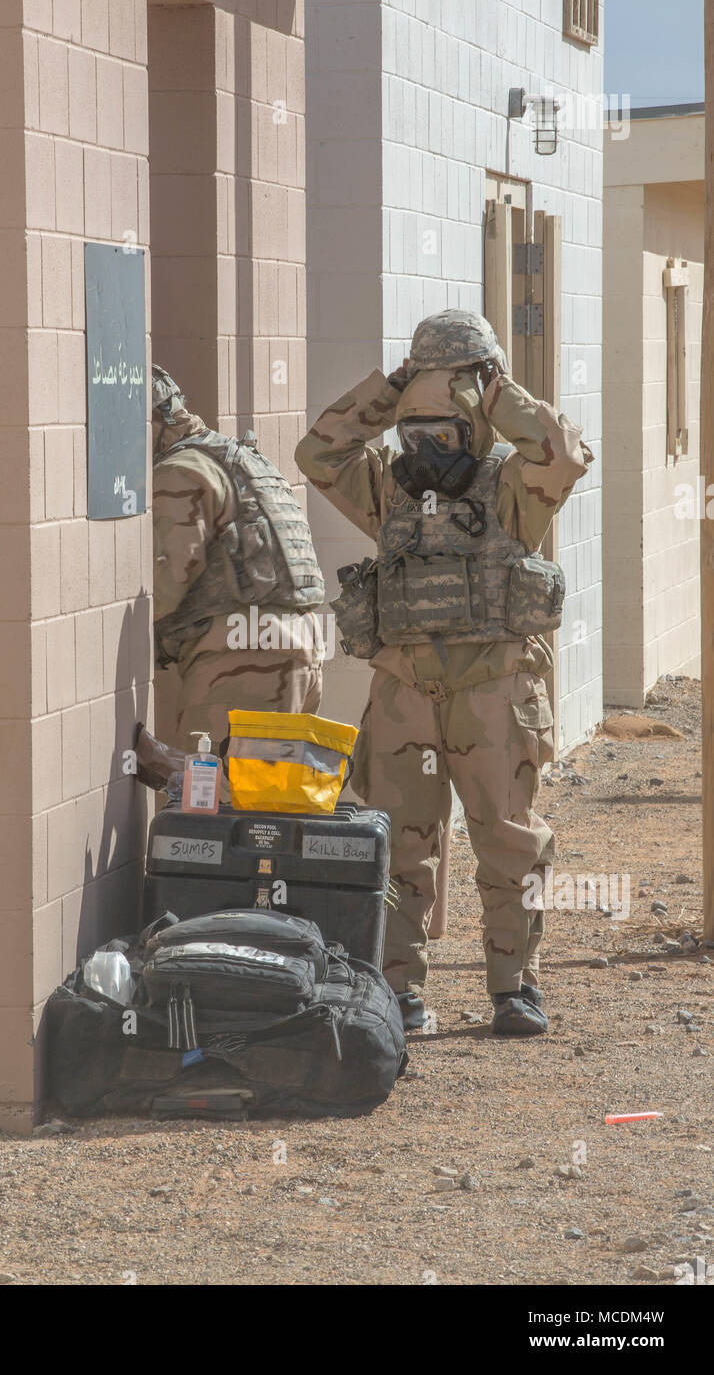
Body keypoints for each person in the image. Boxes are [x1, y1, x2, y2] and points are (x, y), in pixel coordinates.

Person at [294, 311, 593, 1035]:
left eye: (445, 431)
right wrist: (391, 387)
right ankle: (399, 989)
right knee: (399, 842)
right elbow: (318, 452)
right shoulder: (390, 493)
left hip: (493, 688)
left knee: (509, 839)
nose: (427, 449)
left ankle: (514, 987)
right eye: (414, 431)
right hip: (404, 692)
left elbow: (565, 455)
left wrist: (496, 392)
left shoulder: (513, 490)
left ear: (476, 422)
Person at [151, 365, 325, 752]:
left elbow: (165, 582)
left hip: (244, 666)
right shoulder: (235, 456)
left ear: (153, 421)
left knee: (217, 799)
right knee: (267, 798)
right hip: (293, 650)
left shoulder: (180, 471)